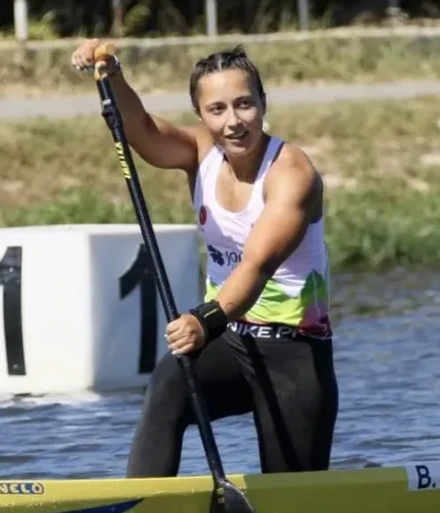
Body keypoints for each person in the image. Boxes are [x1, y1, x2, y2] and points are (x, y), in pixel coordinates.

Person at [71, 40, 339, 478]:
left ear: (263, 104)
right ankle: (139, 509)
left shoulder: (293, 175)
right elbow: (140, 129)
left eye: (244, 105)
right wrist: (111, 73)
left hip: (294, 355)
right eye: (217, 110)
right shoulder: (201, 153)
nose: (233, 122)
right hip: (230, 344)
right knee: (169, 383)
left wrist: (203, 319)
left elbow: (257, 266)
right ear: (201, 116)